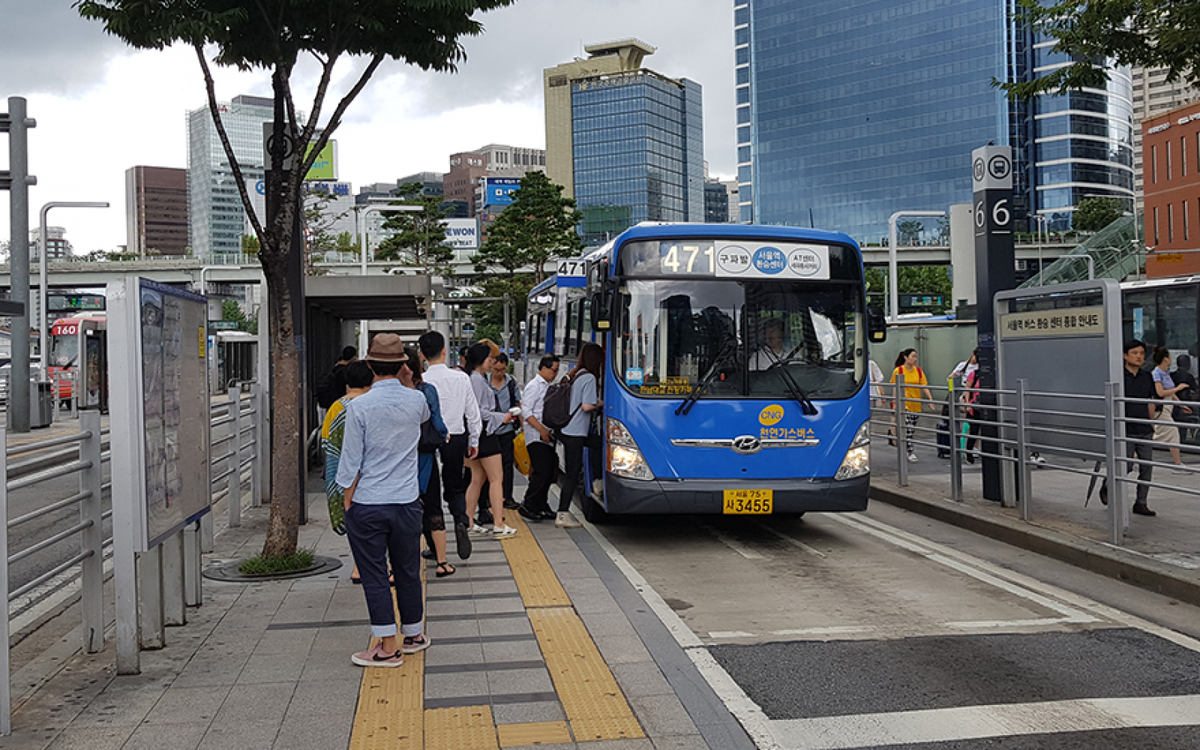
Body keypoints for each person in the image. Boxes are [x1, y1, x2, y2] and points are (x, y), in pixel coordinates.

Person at [336, 334, 432, 667]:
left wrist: (347, 501)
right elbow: (421, 416)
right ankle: (414, 633)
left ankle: (387, 646)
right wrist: (407, 376)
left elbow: (351, 462)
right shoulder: (417, 402)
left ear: (368, 363)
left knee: (375, 574)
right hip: (406, 502)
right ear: (402, 364)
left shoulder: (357, 407)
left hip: (369, 502)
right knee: (408, 570)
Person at [418, 331, 478, 560]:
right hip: (457, 436)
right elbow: (472, 412)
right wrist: (474, 441)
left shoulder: (422, 381)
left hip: (428, 440)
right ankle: (461, 520)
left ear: (422, 355)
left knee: (429, 491)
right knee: (454, 485)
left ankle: (435, 546)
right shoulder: (461, 377)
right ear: (445, 351)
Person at [399, 347, 454, 578]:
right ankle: (441, 563)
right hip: (425, 458)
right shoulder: (426, 390)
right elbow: (437, 420)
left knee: (402, 512)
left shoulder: (392, 393)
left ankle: (398, 567)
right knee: (433, 508)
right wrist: (444, 435)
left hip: (399, 460)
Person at [321, 360, 373, 583]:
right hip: (372, 470)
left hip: (345, 473)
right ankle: (380, 563)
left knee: (354, 518)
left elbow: (327, 443)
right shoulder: (372, 404)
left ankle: (358, 566)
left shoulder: (337, 407)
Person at [463, 342, 519, 537]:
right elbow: (478, 410)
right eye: (489, 358)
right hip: (486, 433)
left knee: (477, 479)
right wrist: (500, 417)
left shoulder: (473, 378)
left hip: (476, 434)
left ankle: (469, 520)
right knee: (497, 479)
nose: (492, 362)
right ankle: (498, 524)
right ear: (481, 360)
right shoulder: (477, 380)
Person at [1100, 339, 1158, 516]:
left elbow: (1150, 401)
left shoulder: (1147, 376)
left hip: (1144, 429)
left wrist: (1151, 422)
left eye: (1141, 353)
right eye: (1135, 353)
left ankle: (1141, 502)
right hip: (1124, 429)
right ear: (1125, 356)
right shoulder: (1118, 376)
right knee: (1125, 466)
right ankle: (1108, 486)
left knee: (1147, 467)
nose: (1139, 356)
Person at [556, 342, 605, 529]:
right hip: (575, 433)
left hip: (569, 430)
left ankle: (597, 481)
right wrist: (601, 404)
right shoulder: (590, 378)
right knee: (572, 474)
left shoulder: (577, 374)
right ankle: (562, 514)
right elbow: (586, 406)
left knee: (599, 444)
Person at [518, 355, 561, 522]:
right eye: (553, 370)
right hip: (536, 436)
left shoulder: (549, 385)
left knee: (550, 471)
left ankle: (542, 504)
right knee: (541, 472)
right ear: (543, 368)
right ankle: (528, 504)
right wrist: (541, 429)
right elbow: (526, 411)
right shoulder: (534, 386)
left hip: (547, 434)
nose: (555, 374)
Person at [482, 352, 521, 511]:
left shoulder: (511, 382)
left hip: (507, 429)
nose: (500, 374)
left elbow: (518, 402)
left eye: (503, 370)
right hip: (490, 431)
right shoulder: (484, 382)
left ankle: (507, 496)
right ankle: (487, 498)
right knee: (488, 467)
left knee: (507, 464)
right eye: (497, 370)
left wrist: (522, 426)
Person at [889, 348, 934, 463]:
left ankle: (905, 446)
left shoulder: (918, 371)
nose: (915, 359)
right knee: (908, 428)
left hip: (916, 404)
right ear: (906, 357)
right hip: (904, 404)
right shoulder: (899, 370)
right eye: (913, 356)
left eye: (916, 356)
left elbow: (924, 385)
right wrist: (895, 403)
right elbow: (895, 387)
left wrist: (930, 399)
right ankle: (911, 452)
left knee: (911, 429)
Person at [1150, 346, 1190, 473]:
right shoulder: (1156, 373)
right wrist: (1178, 388)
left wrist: (1182, 405)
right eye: (1170, 357)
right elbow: (1161, 392)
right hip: (1161, 408)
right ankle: (1177, 464)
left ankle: (1133, 453)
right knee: (1172, 432)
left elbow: (1171, 394)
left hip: (1168, 407)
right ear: (1166, 358)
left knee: (1157, 435)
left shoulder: (1166, 373)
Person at [1173, 354, 1199, 444]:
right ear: (1188, 365)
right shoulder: (1188, 377)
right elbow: (1195, 390)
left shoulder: (1172, 375)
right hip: (1185, 405)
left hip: (1174, 406)